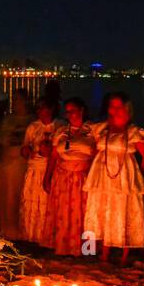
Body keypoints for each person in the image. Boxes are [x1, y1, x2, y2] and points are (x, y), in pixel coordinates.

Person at [84, 93, 144, 266]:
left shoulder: (133, 131)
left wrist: (136, 177)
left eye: (118, 106)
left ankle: (124, 254)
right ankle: (100, 251)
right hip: (102, 176)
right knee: (102, 210)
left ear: (127, 108)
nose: (115, 110)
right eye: (112, 106)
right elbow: (94, 151)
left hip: (123, 178)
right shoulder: (102, 128)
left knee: (124, 211)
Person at [46, 98, 96, 257]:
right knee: (64, 214)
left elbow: (98, 154)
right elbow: (53, 156)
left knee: (85, 214)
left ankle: (87, 250)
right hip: (63, 177)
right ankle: (63, 248)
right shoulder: (61, 131)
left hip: (84, 176)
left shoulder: (92, 130)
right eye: (67, 111)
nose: (70, 114)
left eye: (72, 110)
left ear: (81, 110)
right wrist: (47, 177)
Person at [19, 97, 61, 247]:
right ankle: (31, 237)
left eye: (41, 108)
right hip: (34, 169)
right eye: (37, 109)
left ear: (50, 110)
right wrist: (27, 150)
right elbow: (24, 148)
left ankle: (47, 238)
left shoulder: (60, 126)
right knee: (32, 204)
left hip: (51, 168)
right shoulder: (33, 127)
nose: (39, 112)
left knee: (46, 204)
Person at [0, 89, 33, 240]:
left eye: (17, 99)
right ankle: (4, 229)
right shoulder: (8, 119)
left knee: (17, 195)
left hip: (21, 163)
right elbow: (2, 138)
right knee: (5, 195)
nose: (14, 103)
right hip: (5, 161)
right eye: (13, 99)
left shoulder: (32, 120)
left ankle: (19, 230)